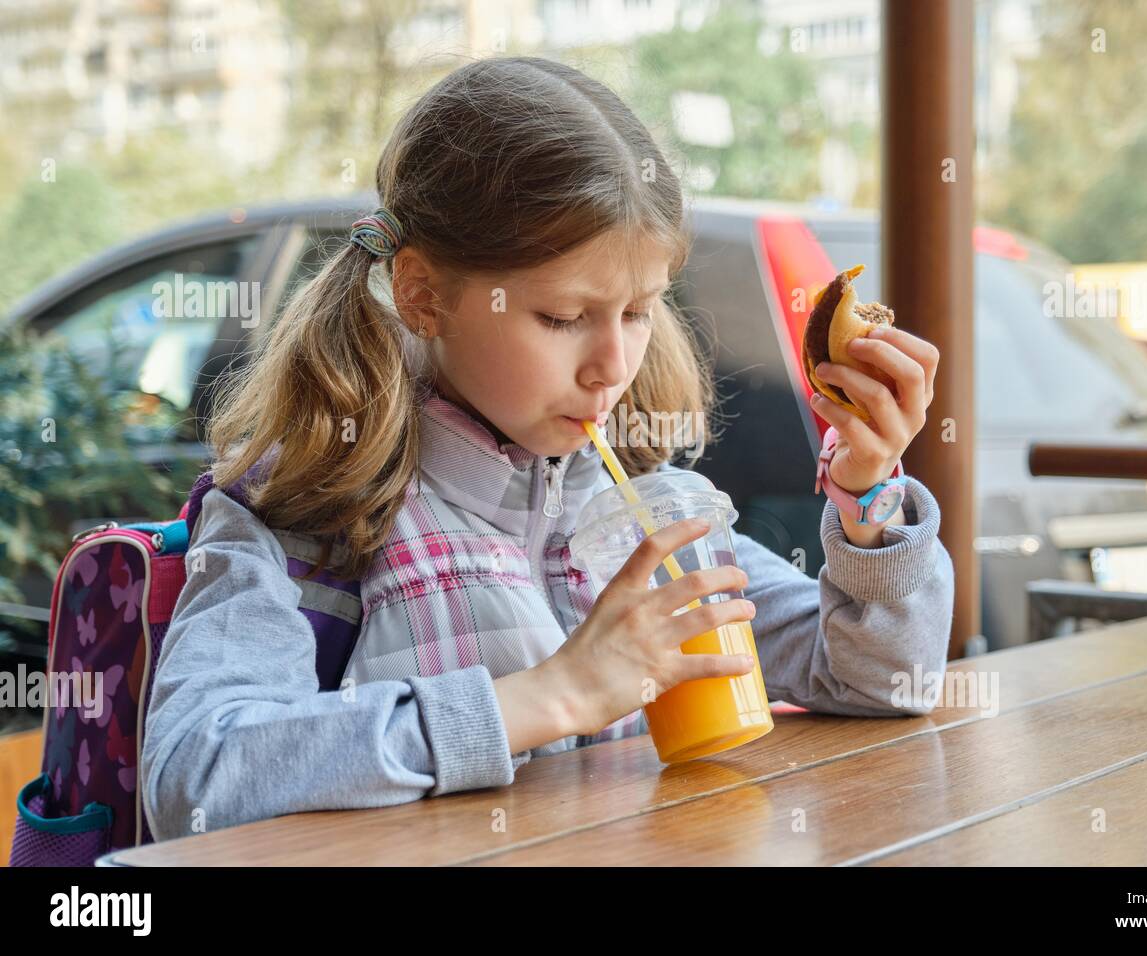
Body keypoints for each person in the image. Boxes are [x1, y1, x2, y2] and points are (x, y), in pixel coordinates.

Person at [141, 56, 954, 843]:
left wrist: (869, 490)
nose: (612, 365)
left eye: (638, 312)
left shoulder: (635, 501)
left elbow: (879, 680)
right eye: (564, 317)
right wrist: (550, 697)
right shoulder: (316, 509)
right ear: (424, 294)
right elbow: (196, 776)